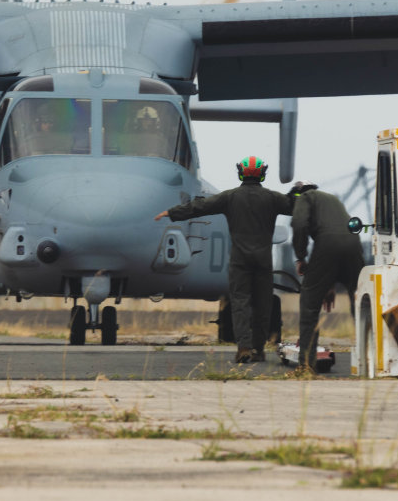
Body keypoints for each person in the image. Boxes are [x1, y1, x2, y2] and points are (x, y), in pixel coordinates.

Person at [155, 156, 294, 363]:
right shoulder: (273, 198)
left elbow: (200, 207)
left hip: (240, 260)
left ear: (241, 173)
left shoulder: (230, 197)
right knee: (263, 305)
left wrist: (172, 212)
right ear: (262, 174)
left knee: (240, 303)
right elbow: (295, 206)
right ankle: (258, 349)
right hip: (263, 260)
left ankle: (243, 347)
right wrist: (302, 193)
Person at [290, 182, 366, 372]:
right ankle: (372, 358)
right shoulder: (331, 199)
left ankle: (306, 364)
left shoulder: (303, 197)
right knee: (361, 301)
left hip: (327, 244)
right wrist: (329, 284)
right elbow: (338, 236)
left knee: (309, 304)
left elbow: (299, 224)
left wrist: (300, 257)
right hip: (354, 244)